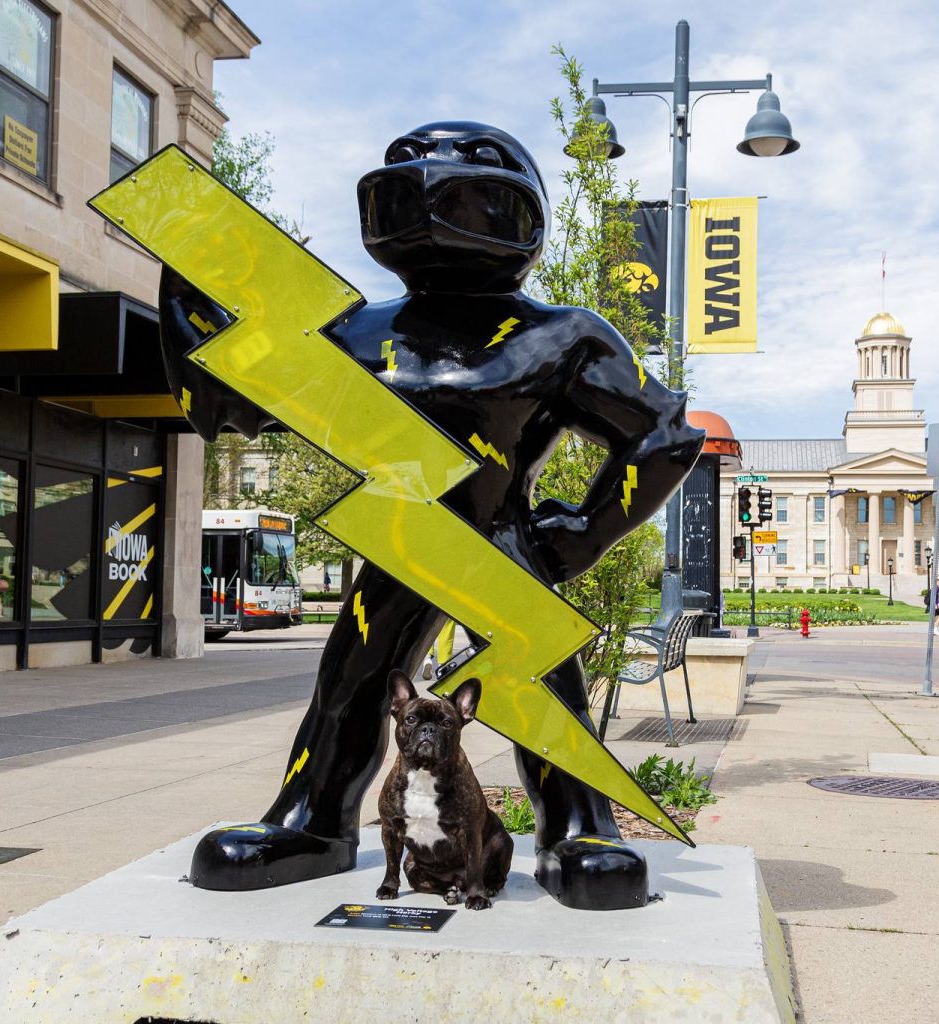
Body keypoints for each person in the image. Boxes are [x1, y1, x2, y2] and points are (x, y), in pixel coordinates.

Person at [157, 121, 706, 909]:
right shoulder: (356, 332)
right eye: (404, 164)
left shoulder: (561, 335)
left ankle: (580, 823)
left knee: (545, 686)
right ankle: (313, 816)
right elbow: (228, 401)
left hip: (498, 537)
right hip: (402, 535)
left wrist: (584, 533)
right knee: (349, 680)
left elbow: (662, 435)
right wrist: (183, 281)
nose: (424, 180)